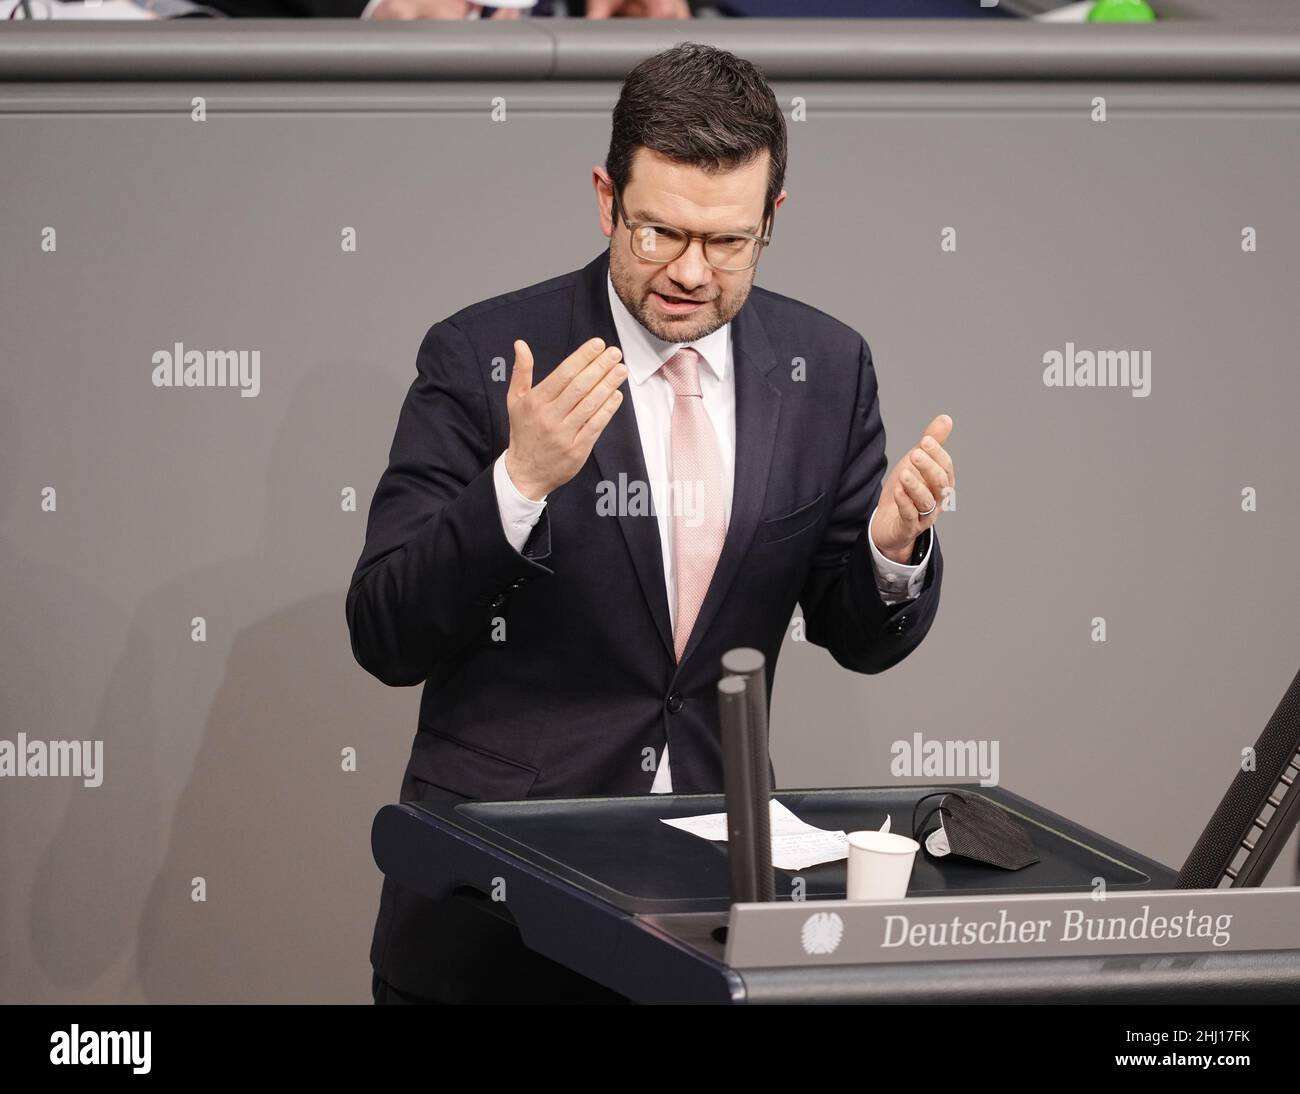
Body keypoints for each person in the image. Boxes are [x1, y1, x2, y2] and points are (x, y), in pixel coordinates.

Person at [349, 41, 954, 1004]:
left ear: (772, 221)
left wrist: (889, 554)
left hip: (711, 921)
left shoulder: (825, 370)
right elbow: (384, 631)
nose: (689, 272)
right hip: (494, 917)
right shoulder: (482, 354)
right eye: (658, 233)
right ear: (606, 199)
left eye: (726, 242)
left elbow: (857, 633)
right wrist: (517, 483)